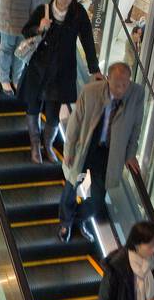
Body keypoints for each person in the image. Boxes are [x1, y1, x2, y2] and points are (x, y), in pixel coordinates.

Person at [19, 0, 99, 163]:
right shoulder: (43, 10)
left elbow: (87, 40)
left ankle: (47, 145)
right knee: (33, 106)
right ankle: (35, 145)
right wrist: (39, 27)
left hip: (62, 72)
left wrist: (94, 69)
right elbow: (25, 31)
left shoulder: (78, 13)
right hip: (39, 69)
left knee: (54, 111)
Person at [58, 61, 140, 245]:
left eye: (125, 84)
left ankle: (78, 219)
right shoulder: (90, 91)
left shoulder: (137, 94)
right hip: (85, 146)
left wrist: (130, 154)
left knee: (97, 200)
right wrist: (69, 150)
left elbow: (136, 128)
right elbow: (75, 122)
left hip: (108, 154)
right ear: (107, 79)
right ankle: (66, 222)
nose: (121, 89)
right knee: (72, 186)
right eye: (116, 84)